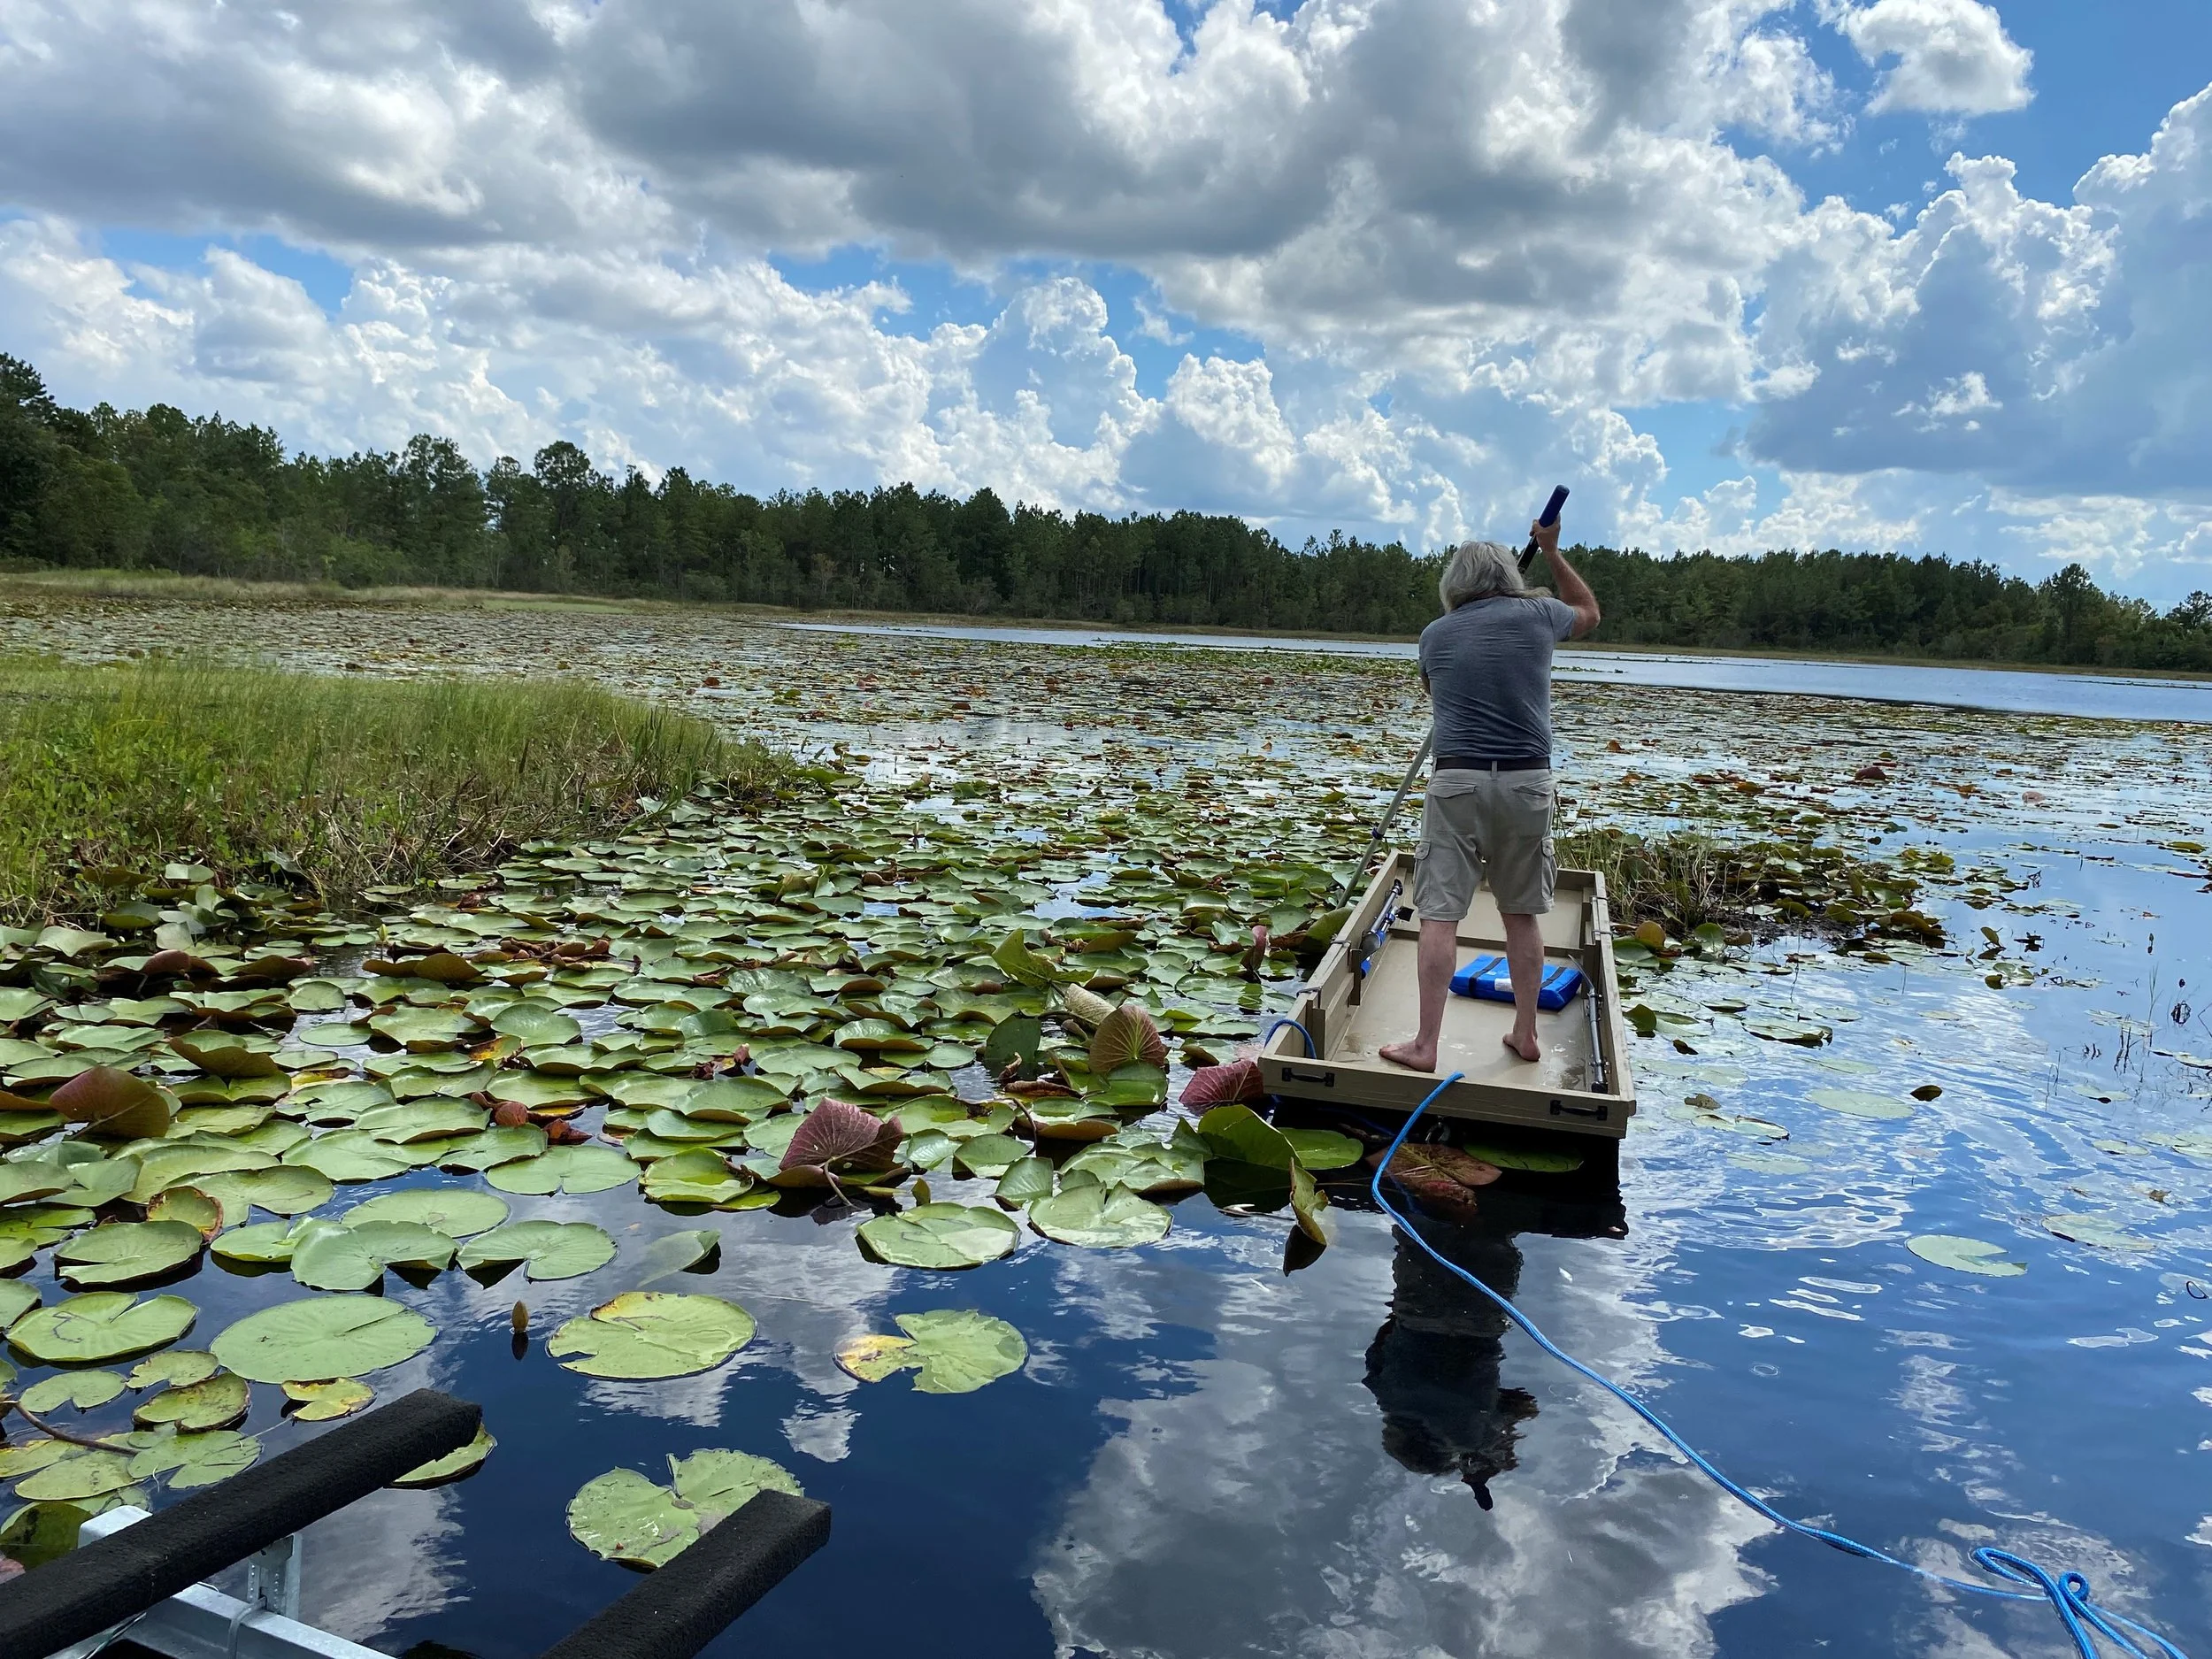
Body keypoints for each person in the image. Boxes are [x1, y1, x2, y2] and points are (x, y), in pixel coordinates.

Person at [1379, 516, 1601, 1071]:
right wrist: (1553, 551)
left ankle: (1426, 1045)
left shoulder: (1435, 633)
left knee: (1439, 915)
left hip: (1458, 781)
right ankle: (1526, 1032)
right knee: (1522, 914)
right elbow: (1588, 612)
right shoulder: (1541, 615)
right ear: (1509, 576)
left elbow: (1433, 689)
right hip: (1527, 783)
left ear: (1456, 583)